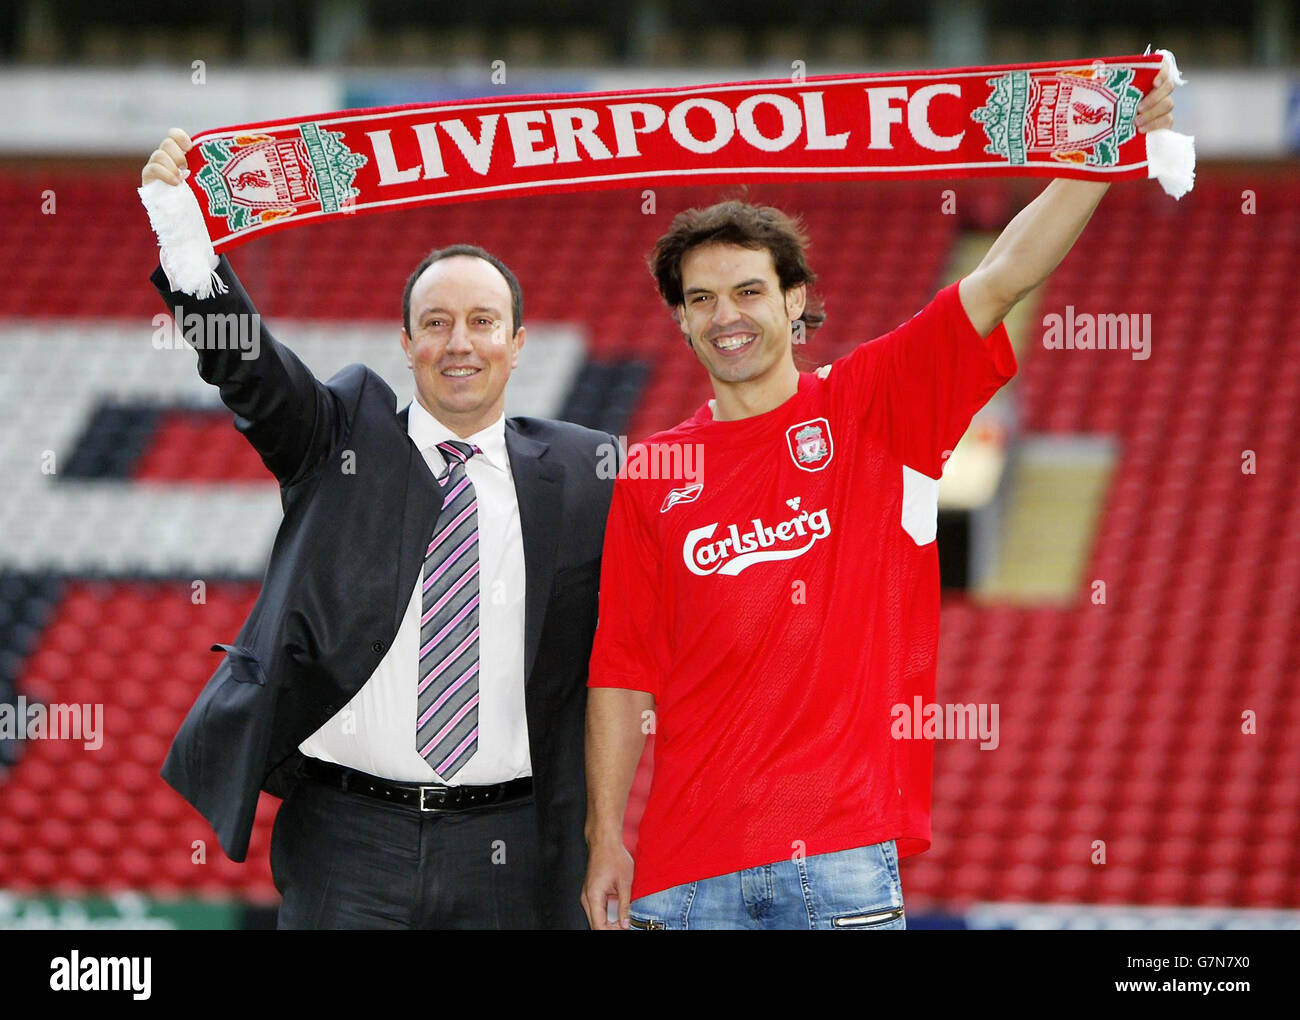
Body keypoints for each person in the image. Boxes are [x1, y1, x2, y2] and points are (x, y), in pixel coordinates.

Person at [580, 69, 1178, 932]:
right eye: (700, 299)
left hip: (839, 866)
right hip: (683, 876)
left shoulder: (873, 404)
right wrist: (606, 836)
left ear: (796, 300)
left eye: (750, 291)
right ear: (679, 319)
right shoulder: (650, 472)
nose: (726, 317)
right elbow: (621, 671)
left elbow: (1004, 274)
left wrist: (1102, 151)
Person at [142, 129, 615, 929]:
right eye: (435, 323)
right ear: (405, 344)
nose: (458, 343)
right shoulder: (343, 439)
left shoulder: (585, 471)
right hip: (347, 840)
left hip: (512, 847)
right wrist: (184, 237)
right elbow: (252, 374)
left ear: (517, 343)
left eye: (481, 322)